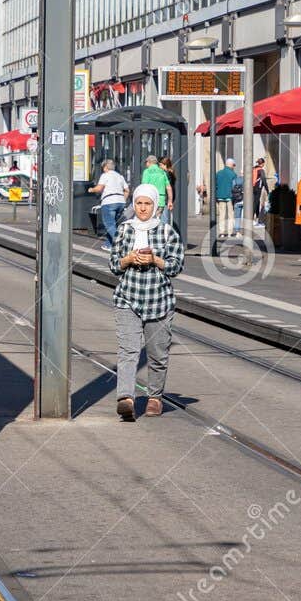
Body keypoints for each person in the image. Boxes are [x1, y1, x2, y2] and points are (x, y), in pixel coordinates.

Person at [109, 182, 184, 421]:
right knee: (128, 351)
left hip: (158, 300)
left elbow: (176, 266)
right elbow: (113, 265)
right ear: (134, 204)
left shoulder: (167, 232)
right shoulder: (124, 230)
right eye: (139, 203)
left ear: (155, 206)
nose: (143, 208)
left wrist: (155, 260)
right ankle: (126, 399)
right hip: (128, 298)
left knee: (157, 354)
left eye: (147, 204)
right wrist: (129, 258)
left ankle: (154, 397)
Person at [89, 159, 128, 252]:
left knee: (109, 224)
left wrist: (91, 189)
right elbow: (127, 190)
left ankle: (121, 243)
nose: (103, 170)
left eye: (103, 168)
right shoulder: (120, 176)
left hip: (109, 201)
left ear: (106, 167)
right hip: (120, 202)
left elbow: (99, 188)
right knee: (115, 224)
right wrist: (123, 200)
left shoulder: (105, 175)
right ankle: (109, 244)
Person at [213, 157, 238, 238]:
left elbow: (215, 185)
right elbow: (235, 186)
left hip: (220, 196)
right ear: (231, 165)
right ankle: (230, 232)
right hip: (230, 197)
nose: (234, 166)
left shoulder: (218, 173)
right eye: (234, 165)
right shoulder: (233, 174)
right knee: (231, 215)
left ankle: (222, 232)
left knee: (221, 215)